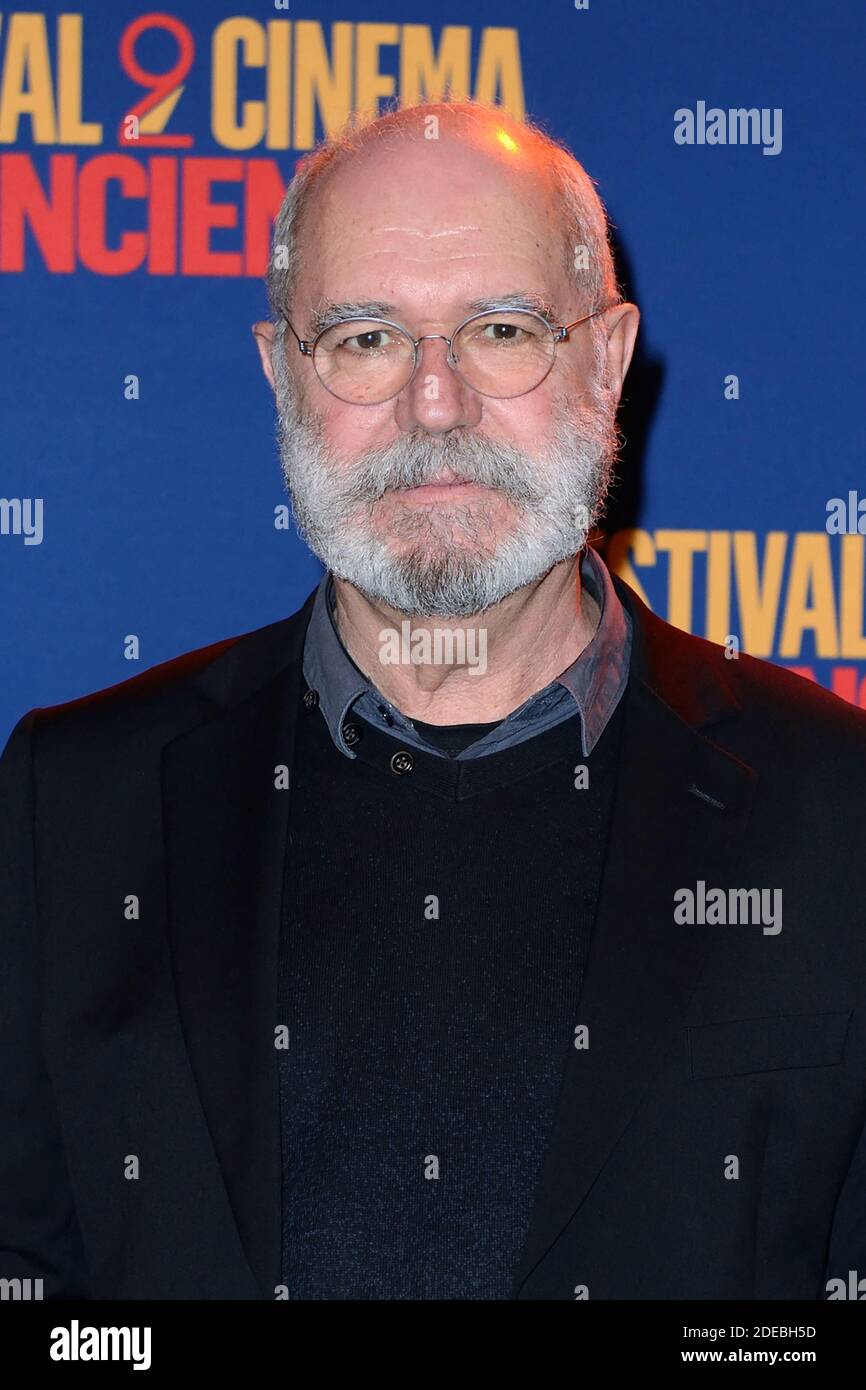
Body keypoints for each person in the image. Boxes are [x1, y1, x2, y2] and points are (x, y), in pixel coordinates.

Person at [2, 99, 865, 1302]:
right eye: (364, 339)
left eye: (500, 329)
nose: (434, 402)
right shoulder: (74, 799)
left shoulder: (836, 810)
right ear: (280, 375)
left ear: (606, 360)